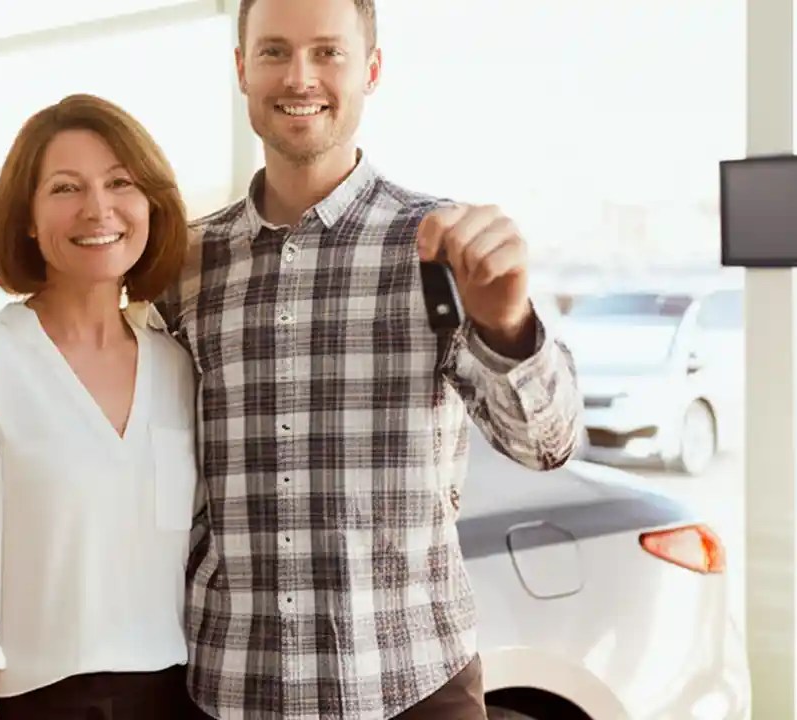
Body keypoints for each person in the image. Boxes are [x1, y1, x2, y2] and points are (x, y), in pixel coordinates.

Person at [155, 1, 585, 718]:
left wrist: (507, 320)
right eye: (273, 52)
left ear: (372, 70)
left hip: (411, 688)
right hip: (231, 687)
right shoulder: (185, 269)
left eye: (328, 52)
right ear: (241, 68)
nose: (300, 76)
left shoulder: (443, 246)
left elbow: (546, 444)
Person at [0, 93, 207, 720]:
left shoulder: (179, 367)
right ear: (26, 218)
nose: (97, 209)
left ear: (149, 202)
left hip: (177, 700)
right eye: (66, 188)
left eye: (119, 183)